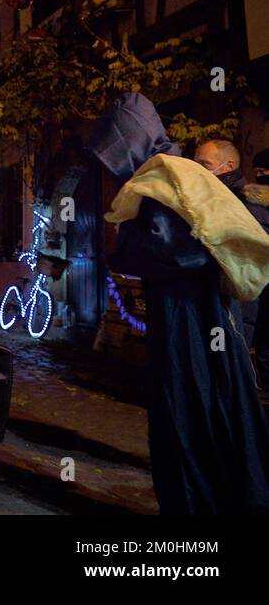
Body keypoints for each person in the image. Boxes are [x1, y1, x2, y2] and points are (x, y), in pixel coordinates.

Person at [88, 93, 269, 513]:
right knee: (191, 406)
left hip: (193, 316)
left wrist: (127, 248)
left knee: (196, 405)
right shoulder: (166, 174)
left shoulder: (172, 175)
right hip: (185, 313)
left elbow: (188, 249)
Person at [194, 139, 269, 384]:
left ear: (228, 166)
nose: (197, 168)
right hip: (224, 302)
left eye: (204, 163)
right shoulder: (211, 200)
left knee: (231, 369)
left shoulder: (244, 206)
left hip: (238, 304)